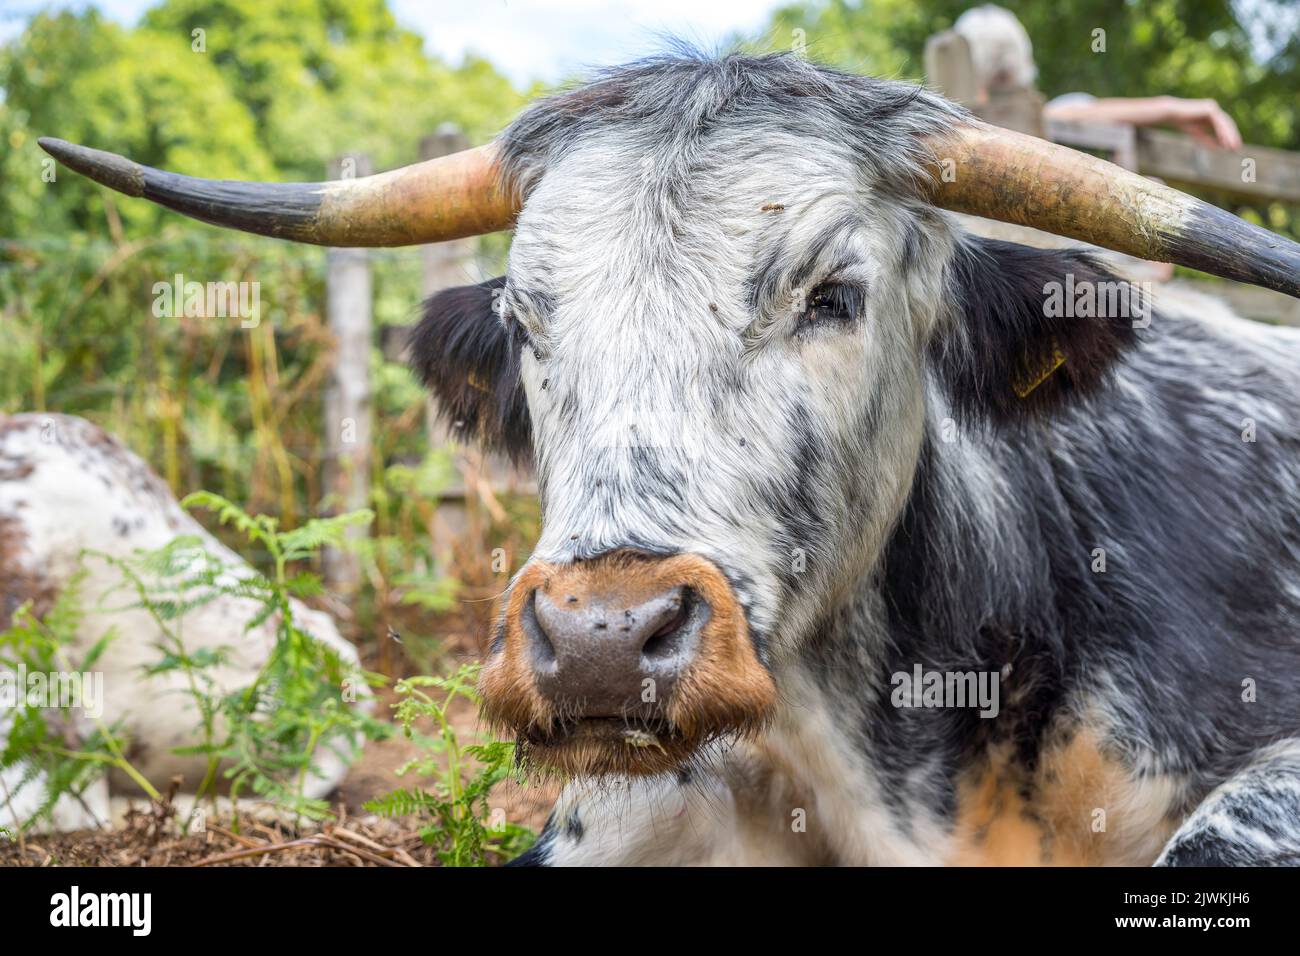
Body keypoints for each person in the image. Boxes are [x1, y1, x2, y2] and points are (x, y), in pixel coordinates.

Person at [953, 4, 1243, 150]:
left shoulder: (942, 129)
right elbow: (1084, 112)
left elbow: (1082, 112)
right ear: (1024, 61)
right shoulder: (1053, 116)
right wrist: (1178, 108)